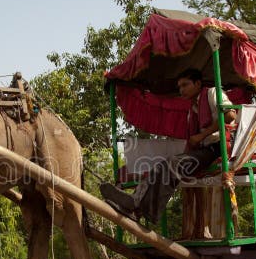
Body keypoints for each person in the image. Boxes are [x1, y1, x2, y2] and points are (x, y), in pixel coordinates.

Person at [100, 69, 237, 223]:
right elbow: (192, 143)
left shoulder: (212, 92)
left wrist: (201, 136)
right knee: (162, 165)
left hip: (219, 149)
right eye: (179, 87)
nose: (181, 90)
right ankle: (134, 204)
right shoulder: (193, 109)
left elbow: (230, 115)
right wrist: (187, 151)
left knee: (172, 164)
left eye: (185, 85)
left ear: (197, 83)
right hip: (203, 151)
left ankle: (144, 211)